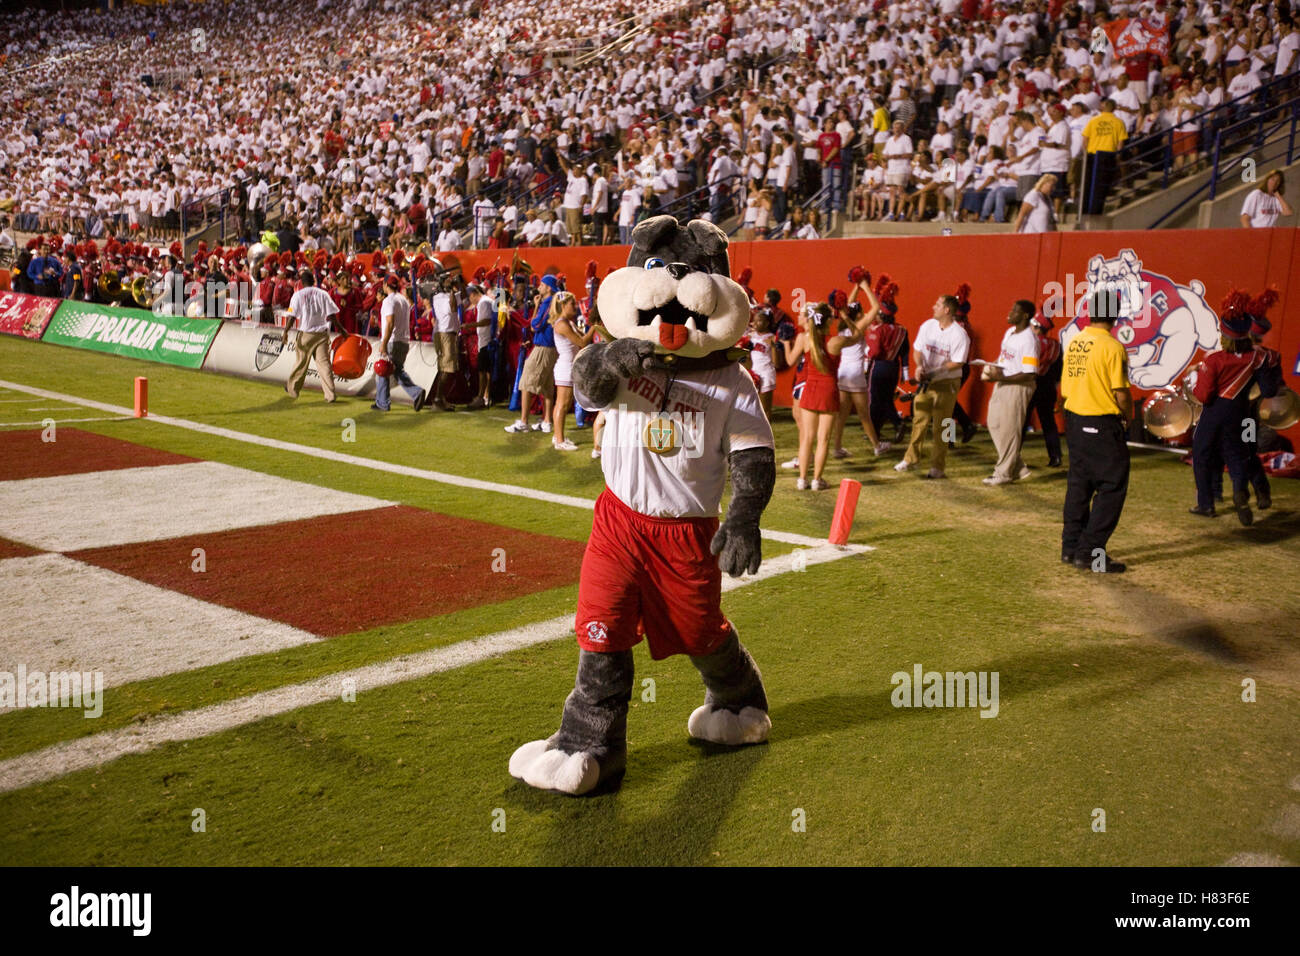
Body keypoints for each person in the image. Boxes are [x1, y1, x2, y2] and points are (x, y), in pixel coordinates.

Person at [1188, 293, 1283, 524]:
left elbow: (1203, 394)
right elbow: (1269, 390)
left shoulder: (1214, 360)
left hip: (1215, 414)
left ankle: (1207, 503)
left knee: (1202, 454)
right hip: (1244, 417)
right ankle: (1246, 492)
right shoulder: (1260, 357)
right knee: (1241, 455)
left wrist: (1196, 382)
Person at [1060, 287, 1133, 573]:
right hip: (1102, 424)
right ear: (1115, 316)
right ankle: (1090, 552)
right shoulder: (1113, 347)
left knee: (1079, 486)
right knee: (1112, 487)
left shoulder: (1076, 341)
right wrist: (1129, 418)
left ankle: (1070, 547)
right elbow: (1122, 393)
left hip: (1075, 420)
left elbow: (1066, 386)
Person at [781, 302, 866, 490]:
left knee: (807, 438)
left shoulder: (804, 338)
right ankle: (817, 480)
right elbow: (858, 335)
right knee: (824, 439)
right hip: (829, 392)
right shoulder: (835, 341)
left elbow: (789, 361)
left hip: (810, 390)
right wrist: (845, 317)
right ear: (829, 321)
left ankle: (802, 480)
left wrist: (785, 342)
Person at [896, 294, 970, 480]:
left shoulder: (960, 335)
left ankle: (938, 467)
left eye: (937, 304)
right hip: (926, 382)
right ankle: (911, 458)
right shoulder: (927, 325)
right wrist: (920, 366)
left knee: (944, 425)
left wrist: (936, 372)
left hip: (947, 383)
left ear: (947, 310)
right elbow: (918, 350)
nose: (933, 306)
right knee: (918, 421)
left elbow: (958, 362)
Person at [981, 299, 1041, 485]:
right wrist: (992, 369)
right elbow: (1005, 358)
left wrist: (1000, 378)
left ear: (1025, 316)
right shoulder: (1010, 333)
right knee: (993, 423)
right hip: (1004, 383)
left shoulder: (1029, 340)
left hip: (1019, 387)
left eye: (1015, 310)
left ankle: (1003, 474)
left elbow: (1029, 374)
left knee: (1010, 429)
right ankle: (1018, 467)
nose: (1010, 312)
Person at [830, 281, 889, 457]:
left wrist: (855, 287)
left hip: (842, 374)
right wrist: (864, 287)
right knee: (864, 415)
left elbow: (847, 309)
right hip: (855, 375)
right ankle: (877, 446)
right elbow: (876, 307)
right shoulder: (859, 327)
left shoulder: (841, 326)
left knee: (841, 415)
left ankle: (837, 448)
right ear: (858, 316)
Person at [504, 275, 560, 433]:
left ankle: (523, 421)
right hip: (546, 347)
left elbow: (534, 325)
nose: (539, 287)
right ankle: (547, 421)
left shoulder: (548, 303)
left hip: (542, 347)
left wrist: (514, 313)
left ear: (548, 288)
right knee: (547, 387)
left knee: (526, 382)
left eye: (542, 285)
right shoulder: (549, 302)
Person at [284, 269, 345, 404]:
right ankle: (330, 395)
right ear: (314, 281)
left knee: (301, 363)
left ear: (301, 282)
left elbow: (291, 316)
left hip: (306, 333)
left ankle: (293, 389)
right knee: (324, 365)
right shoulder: (323, 294)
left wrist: (285, 332)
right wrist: (343, 331)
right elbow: (332, 316)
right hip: (322, 334)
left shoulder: (298, 295)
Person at [373, 274, 427, 413]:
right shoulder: (403, 299)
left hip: (393, 340)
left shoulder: (389, 301)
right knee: (397, 371)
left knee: (383, 371)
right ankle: (415, 393)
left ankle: (383, 402)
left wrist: (384, 343)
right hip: (404, 340)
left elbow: (390, 323)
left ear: (385, 285)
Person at [550, 291, 595, 450]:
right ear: (563, 305)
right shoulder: (562, 324)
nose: (575, 307)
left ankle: (558, 437)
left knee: (562, 404)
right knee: (562, 404)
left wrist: (590, 326)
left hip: (569, 366)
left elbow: (583, 337)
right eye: (572, 304)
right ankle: (560, 441)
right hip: (566, 367)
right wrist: (595, 327)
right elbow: (582, 342)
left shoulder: (568, 322)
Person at [1022, 310, 1063, 468]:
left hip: (1031, 385)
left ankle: (1012, 456)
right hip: (1048, 387)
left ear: (1037, 327)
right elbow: (1059, 370)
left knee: (1021, 422)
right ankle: (1055, 456)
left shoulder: (1031, 342)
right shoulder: (1055, 345)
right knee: (1048, 423)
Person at [1081, 99, 1127, 215]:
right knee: (1102, 185)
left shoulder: (1094, 120)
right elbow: (1120, 143)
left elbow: (1085, 139)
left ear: (1104, 106)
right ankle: (1096, 210)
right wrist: (1118, 155)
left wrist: (1086, 152)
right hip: (1108, 155)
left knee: (1088, 183)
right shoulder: (1119, 122)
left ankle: (1085, 209)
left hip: (1093, 154)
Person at [428, 279, 461, 410]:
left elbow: (461, 297)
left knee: (444, 367)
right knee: (447, 367)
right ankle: (437, 398)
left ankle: (440, 399)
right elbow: (452, 308)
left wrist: (457, 286)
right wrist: (451, 291)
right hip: (445, 334)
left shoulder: (440, 296)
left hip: (443, 333)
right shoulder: (439, 297)